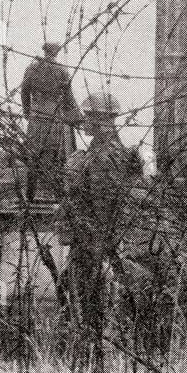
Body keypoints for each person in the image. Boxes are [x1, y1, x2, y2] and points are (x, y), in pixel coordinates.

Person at [63, 90, 144, 348]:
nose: (83, 121)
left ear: (101, 120)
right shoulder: (101, 154)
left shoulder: (102, 158)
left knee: (91, 309)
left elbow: (102, 210)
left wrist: (95, 246)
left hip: (96, 247)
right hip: (98, 245)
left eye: (88, 116)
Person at [21, 42, 82, 201]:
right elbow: (69, 99)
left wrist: (27, 112)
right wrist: (76, 118)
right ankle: (54, 194)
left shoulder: (32, 68)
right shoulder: (62, 70)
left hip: (35, 115)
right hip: (54, 117)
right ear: (57, 52)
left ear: (45, 51)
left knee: (33, 153)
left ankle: (30, 195)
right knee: (54, 153)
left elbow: (24, 92)